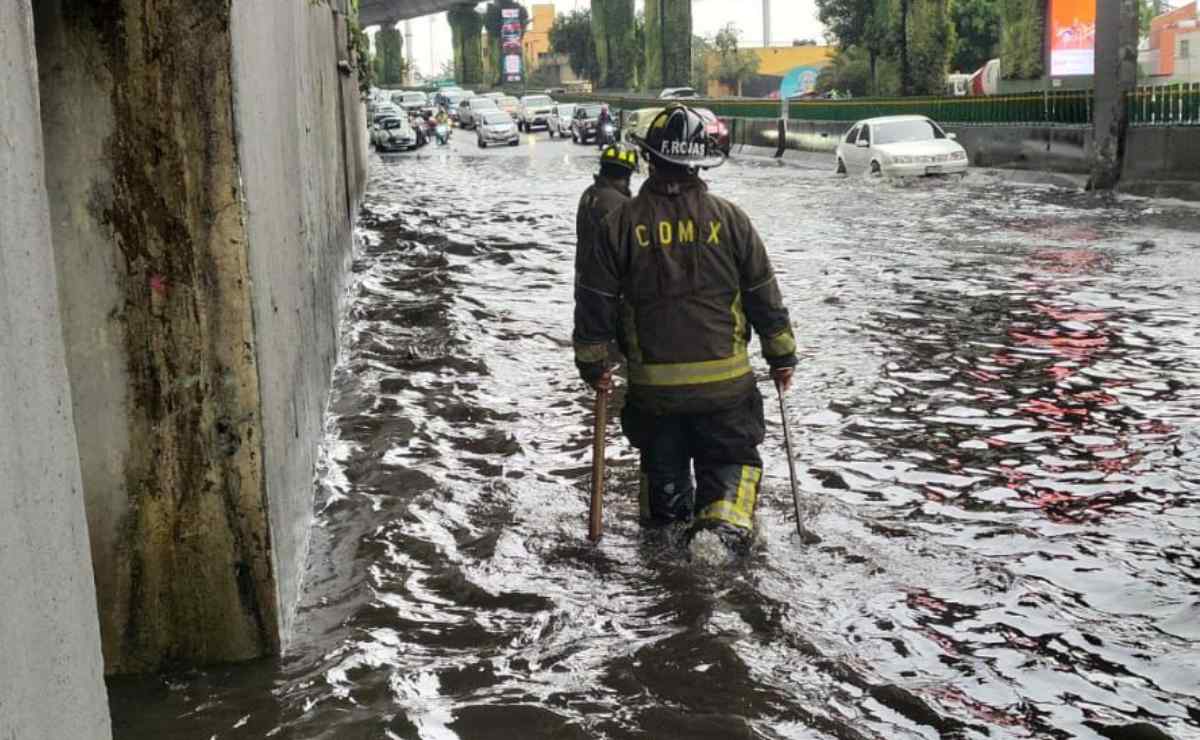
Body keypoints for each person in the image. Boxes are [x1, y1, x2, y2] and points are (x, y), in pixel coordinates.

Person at [573, 104, 798, 555]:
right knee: (731, 466)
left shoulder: (619, 224)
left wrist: (593, 366)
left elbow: (593, 304)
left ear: (649, 159)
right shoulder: (731, 220)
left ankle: (667, 567)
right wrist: (782, 358)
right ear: (700, 161)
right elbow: (763, 295)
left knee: (663, 512)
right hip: (727, 393)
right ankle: (722, 540)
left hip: (655, 397)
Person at [575, 144, 639, 277]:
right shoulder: (622, 205)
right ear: (627, 176)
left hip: (583, 281)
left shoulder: (589, 194)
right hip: (609, 287)